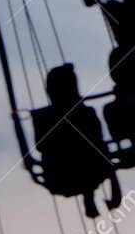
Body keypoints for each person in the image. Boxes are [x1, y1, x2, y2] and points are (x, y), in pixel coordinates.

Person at [31, 63, 122, 217]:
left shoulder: (44, 117)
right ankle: (89, 194)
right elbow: (42, 144)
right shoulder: (82, 113)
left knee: (90, 154)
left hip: (68, 171)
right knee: (91, 153)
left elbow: (41, 145)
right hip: (67, 170)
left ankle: (90, 193)